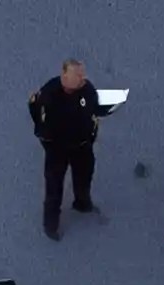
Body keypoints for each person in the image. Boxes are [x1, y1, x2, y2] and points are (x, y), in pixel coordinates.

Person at [28, 59, 114, 240]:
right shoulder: (50, 95)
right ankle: (51, 226)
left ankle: (82, 204)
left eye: (82, 74)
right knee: (54, 189)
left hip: (83, 146)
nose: (82, 78)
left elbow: (94, 107)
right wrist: (50, 144)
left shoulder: (87, 90)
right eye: (77, 75)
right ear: (65, 76)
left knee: (84, 178)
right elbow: (37, 116)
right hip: (57, 151)